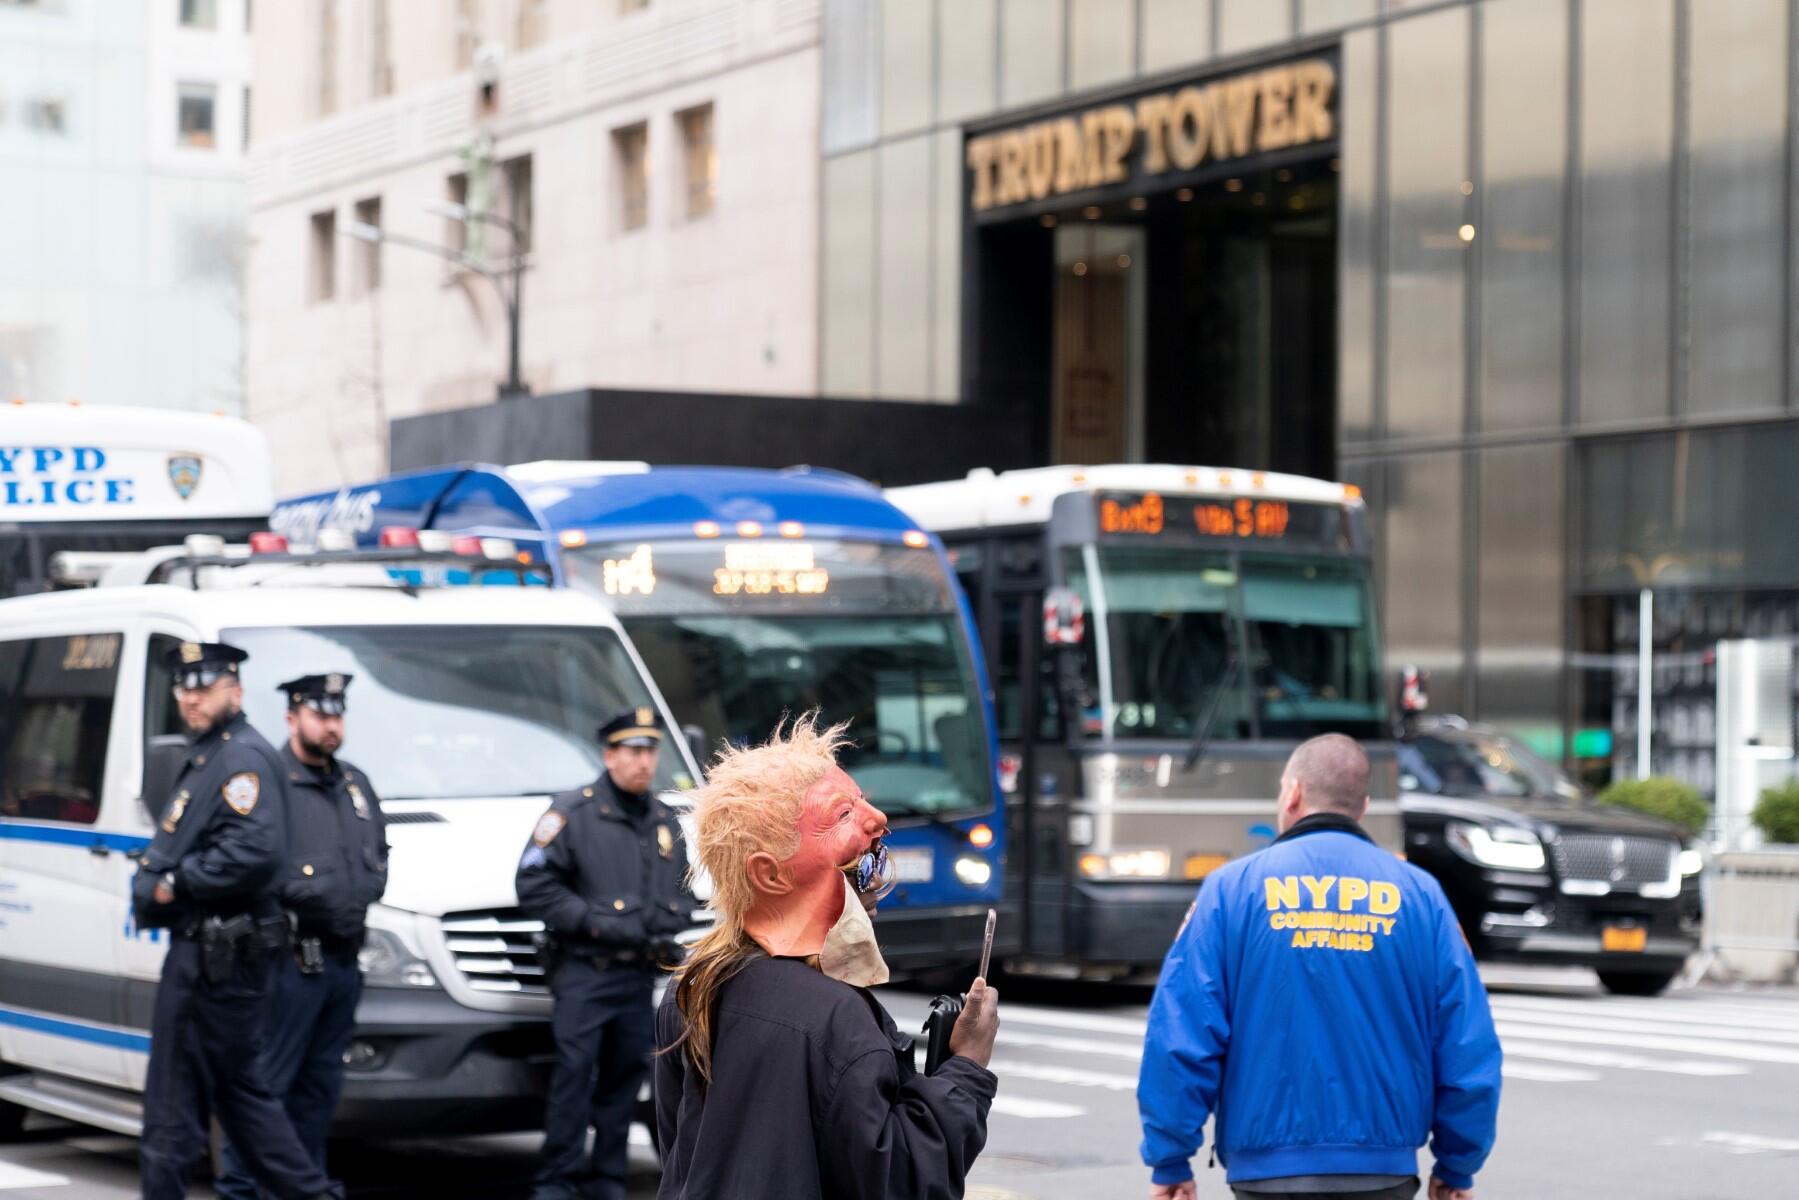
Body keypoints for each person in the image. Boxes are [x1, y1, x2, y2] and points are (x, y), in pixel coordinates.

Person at [1137, 733, 1501, 1200]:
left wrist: (1171, 1160)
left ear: (1292, 793)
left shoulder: (1229, 891)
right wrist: (1457, 1163)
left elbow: (1180, 1037)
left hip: (1265, 1173)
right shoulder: (1421, 896)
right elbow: (1466, 1045)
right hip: (1383, 1172)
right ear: (1363, 805)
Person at [652, 714, 1000, 1200]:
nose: (876, 820)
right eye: (860, 865)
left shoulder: (689, 990)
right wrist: (967, 1067)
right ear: (770, 875)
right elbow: (901, 1181)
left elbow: (683, 1153)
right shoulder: (835, 1017)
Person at [130, 642, 345, 1200]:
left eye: (204, 687)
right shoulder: (213, 753)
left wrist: (175, 882)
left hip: (214, 960)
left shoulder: (238, 757)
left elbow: (253, 851)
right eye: (184, 688)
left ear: (236, 690)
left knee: (174, 1111)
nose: (192, 699)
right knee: (244, 1102)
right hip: (216, 957)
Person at [216, 673, 389, 1200]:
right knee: (266, 1093)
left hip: (340, 965)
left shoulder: (354, 783)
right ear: (292, 717)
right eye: (320, 714)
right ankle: (244, 1192)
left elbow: (376, 859)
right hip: (286, 964)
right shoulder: (266, 781)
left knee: (317, 1094)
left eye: (337, 715)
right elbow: (252, 868)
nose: (331, 725)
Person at [516, 706, 695, 1200]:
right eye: (634, 751)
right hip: (585, 973)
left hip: (638, 976)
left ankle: (607, 1180)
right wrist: (596, 921)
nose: (645, 762)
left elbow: (680, 890)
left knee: (624, 1080)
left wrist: (670, 920)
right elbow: (533, 883)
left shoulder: (661, 818)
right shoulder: (573, 812)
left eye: (651, 750)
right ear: (609, 754)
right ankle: (558, 1181)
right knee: (575, 1077)